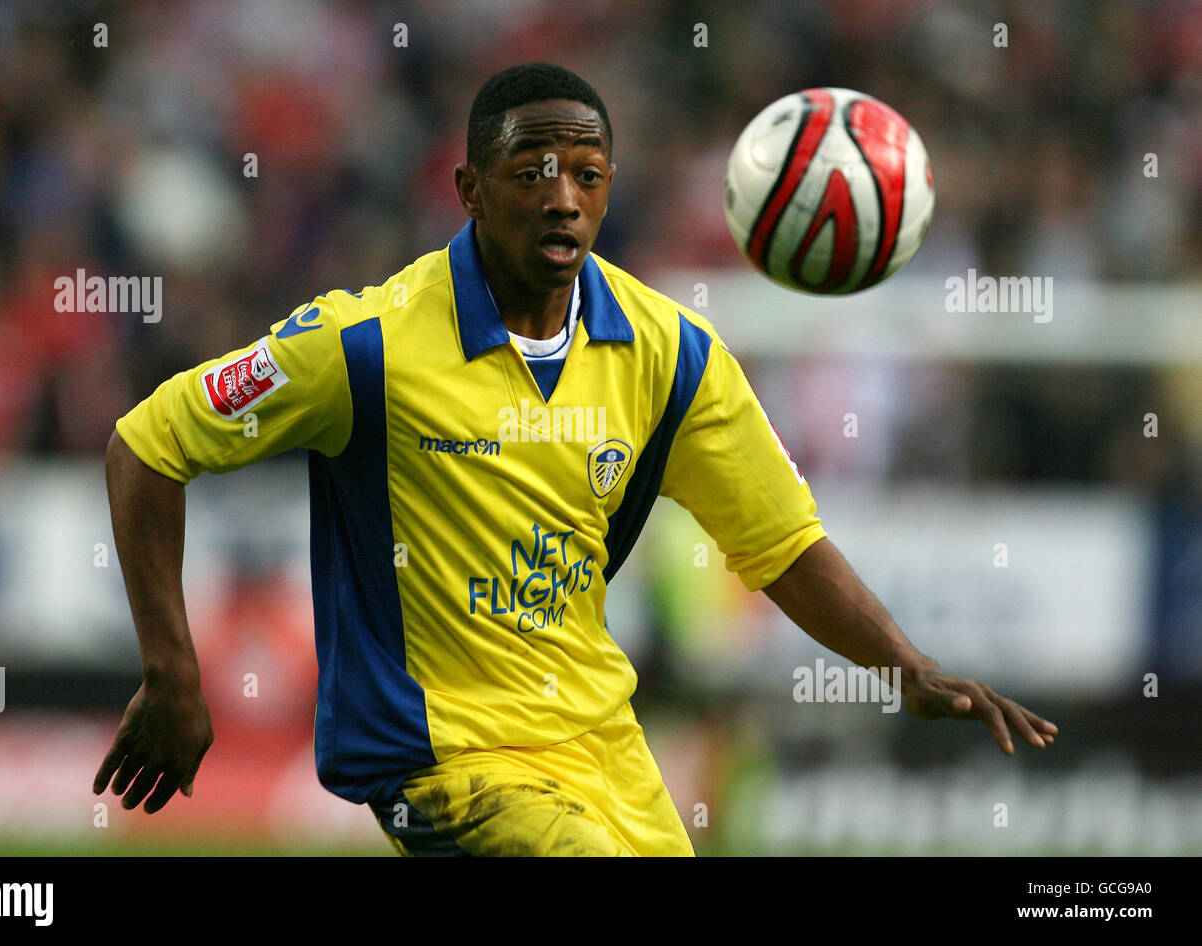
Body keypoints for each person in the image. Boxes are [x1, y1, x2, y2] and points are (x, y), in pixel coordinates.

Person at [93, 62, 1057, 856]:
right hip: (447, 764)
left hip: (603, 752)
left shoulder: (671, 357)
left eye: (587, 175)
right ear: (470, 189)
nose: (563, 199)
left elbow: (782, 545)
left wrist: (903, 665)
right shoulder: (364, 346)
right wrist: (173, 669)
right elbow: (147, 444)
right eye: (531, 172)